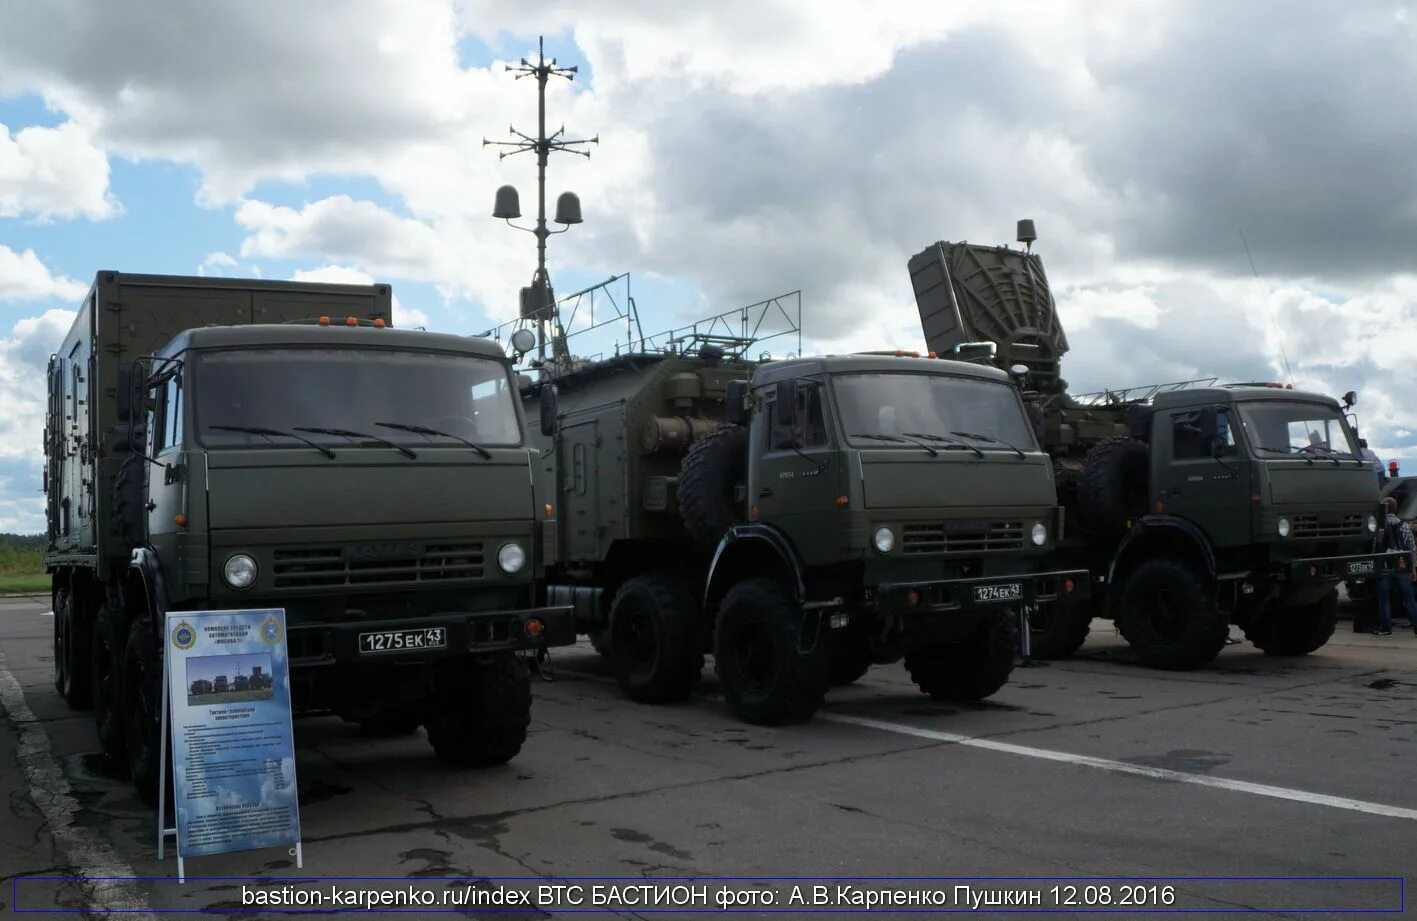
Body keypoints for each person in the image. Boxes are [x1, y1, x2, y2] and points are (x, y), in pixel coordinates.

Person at [1374, 496, 1417, 636]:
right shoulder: (1404, 525)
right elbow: (1411, 548)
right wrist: (1413, 568)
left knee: (1384, 599)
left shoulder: (1379, 527)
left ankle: (1386, 628)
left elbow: (1374, 547)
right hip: (1402, 565)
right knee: (1409, 598)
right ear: (1395, 509)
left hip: (1385, 565)